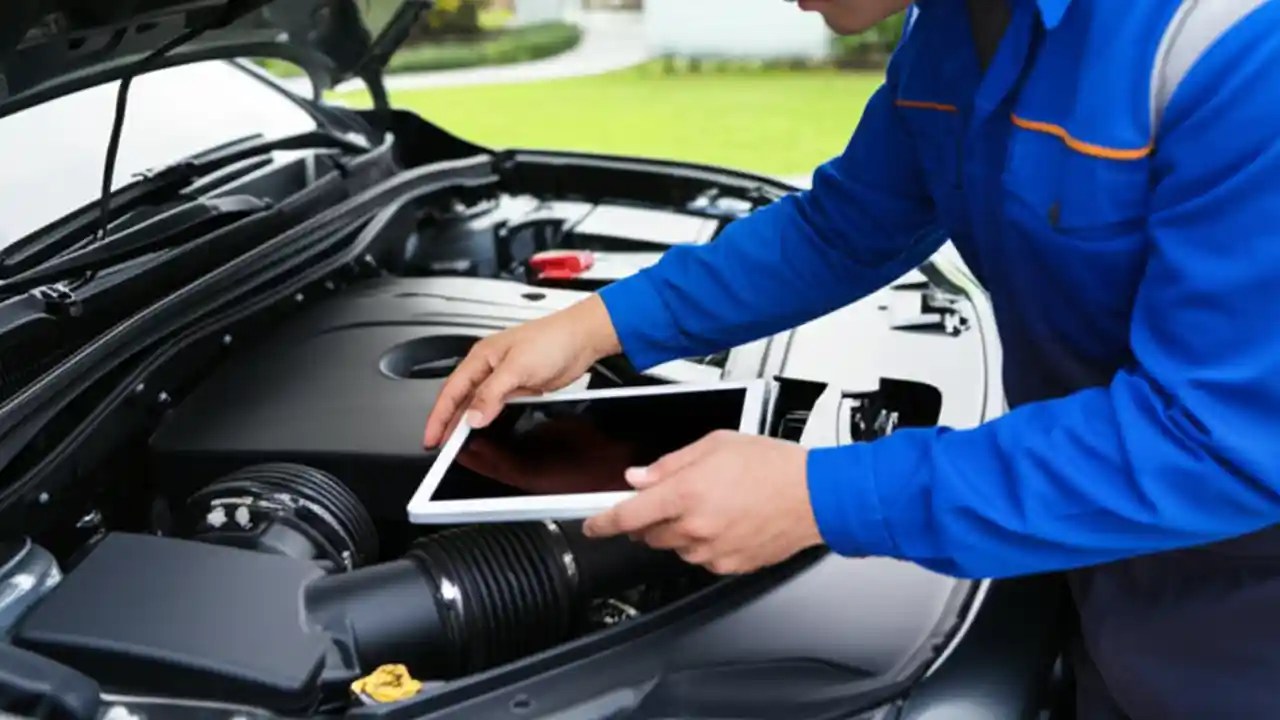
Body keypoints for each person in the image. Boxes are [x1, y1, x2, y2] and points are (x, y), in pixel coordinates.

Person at [425, 0, 1280, 717]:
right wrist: (593, 325)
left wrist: (821, 494)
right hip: (1098, 568)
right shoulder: (951, 32)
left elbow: (1215, 440)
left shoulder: (1235, 42)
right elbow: (843, 227)